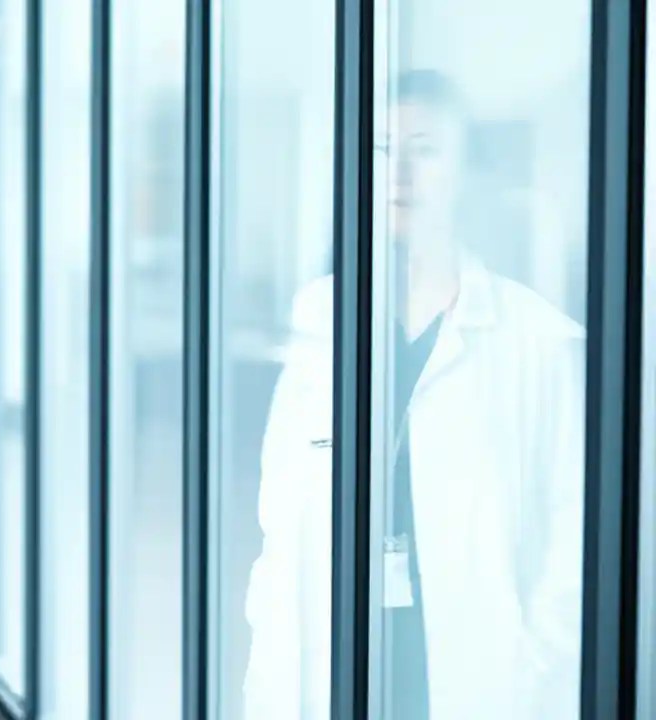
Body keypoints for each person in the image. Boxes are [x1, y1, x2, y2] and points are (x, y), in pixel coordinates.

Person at [242, 69, 584, 719]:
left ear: (464, 171)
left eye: (426, 150)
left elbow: (573, 540)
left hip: (477, 667)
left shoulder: (538, 340)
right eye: (384, 149)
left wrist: (535, 665)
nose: (401, 172)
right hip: (343, 649)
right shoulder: (322, 314)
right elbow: (280, 512)